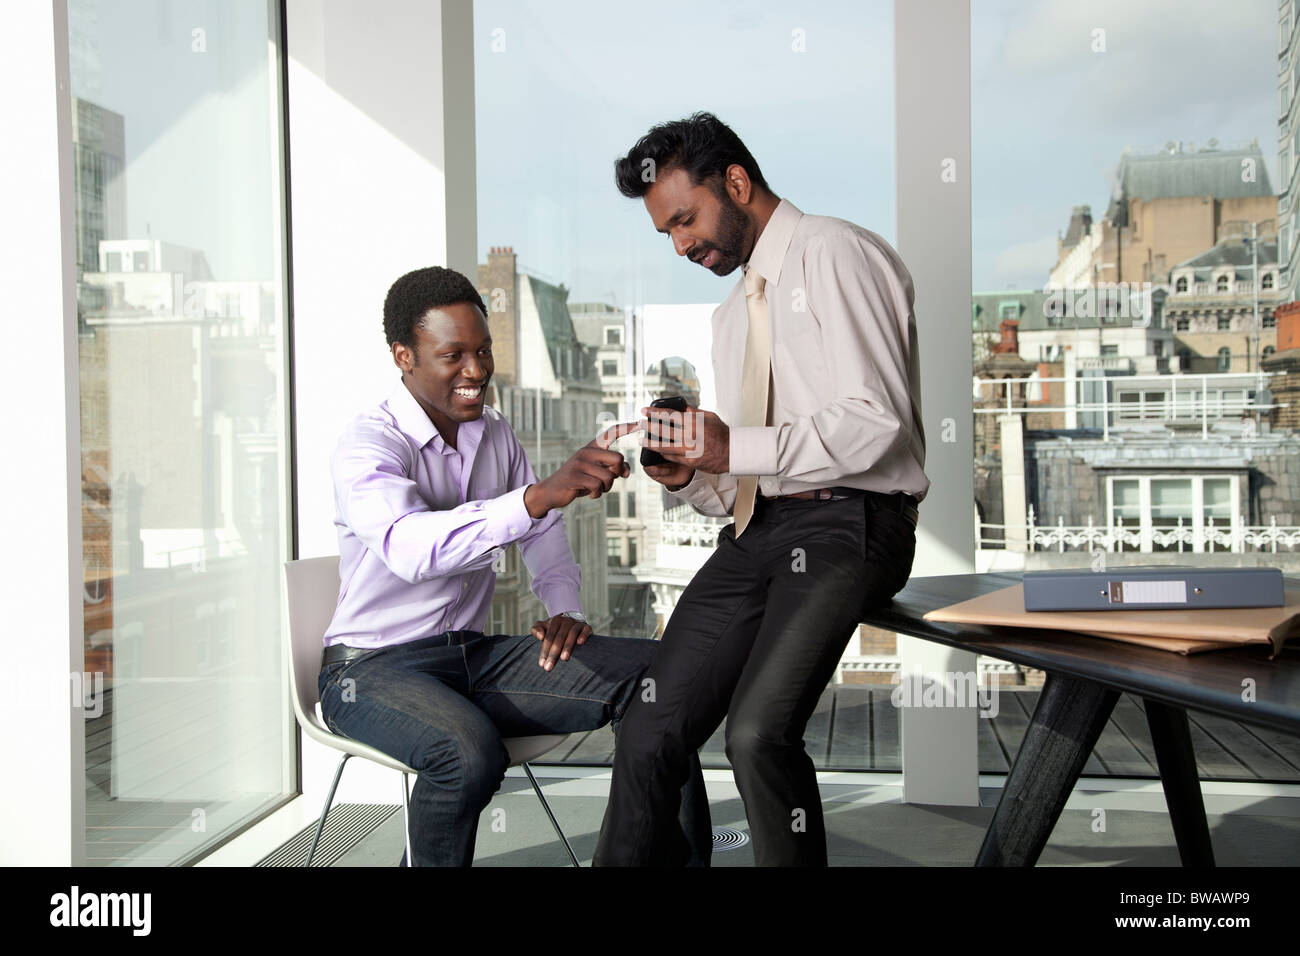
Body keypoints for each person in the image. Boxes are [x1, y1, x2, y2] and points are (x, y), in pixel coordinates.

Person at [593, 113, 930, 867]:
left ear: (736, 183)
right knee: (650, 726)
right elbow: (750, 472)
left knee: (755, 735)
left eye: (685, 218)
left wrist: (730, 446)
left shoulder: (836, 253)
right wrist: (697, 475)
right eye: (666, 234)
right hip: (757, 534)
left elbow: (877, 422)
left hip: (855, 523)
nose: (680, 244)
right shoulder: (728, 316)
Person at [317, 265, 710, 866]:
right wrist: (534, 497)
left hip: (471, 656)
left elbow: (544, 529)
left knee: (662, 677)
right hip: (369, 671)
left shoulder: (493, 432)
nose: (476, 371)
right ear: (404, 356)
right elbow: (411, 549)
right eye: (453, 355)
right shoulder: (369, 444)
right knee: (468, 753)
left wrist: (565, 610)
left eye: (483, 350)